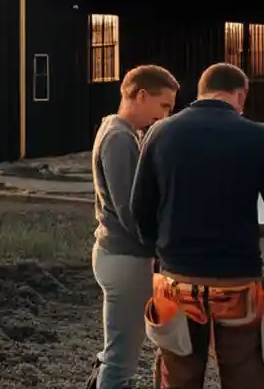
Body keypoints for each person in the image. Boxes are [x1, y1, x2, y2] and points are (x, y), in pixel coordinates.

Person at [130, 62, 264, 389]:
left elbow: (139, 209)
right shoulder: (258, 136)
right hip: (237, 281)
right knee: (243, 375)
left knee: (179, 375)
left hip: (176, 280)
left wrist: (160, 251)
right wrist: (260, 227)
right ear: (240, 95)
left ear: (200, 92)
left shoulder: (160, 132)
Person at [90, 64, 180, 388]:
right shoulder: (119, 137)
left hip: (119, 256)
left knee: (117, 352)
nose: (166, 115)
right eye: (164, 106)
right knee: (120, 360)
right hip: (125, 258)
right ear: (141, 95)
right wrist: (164, 242)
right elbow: (131, 211)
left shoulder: (120, 131)